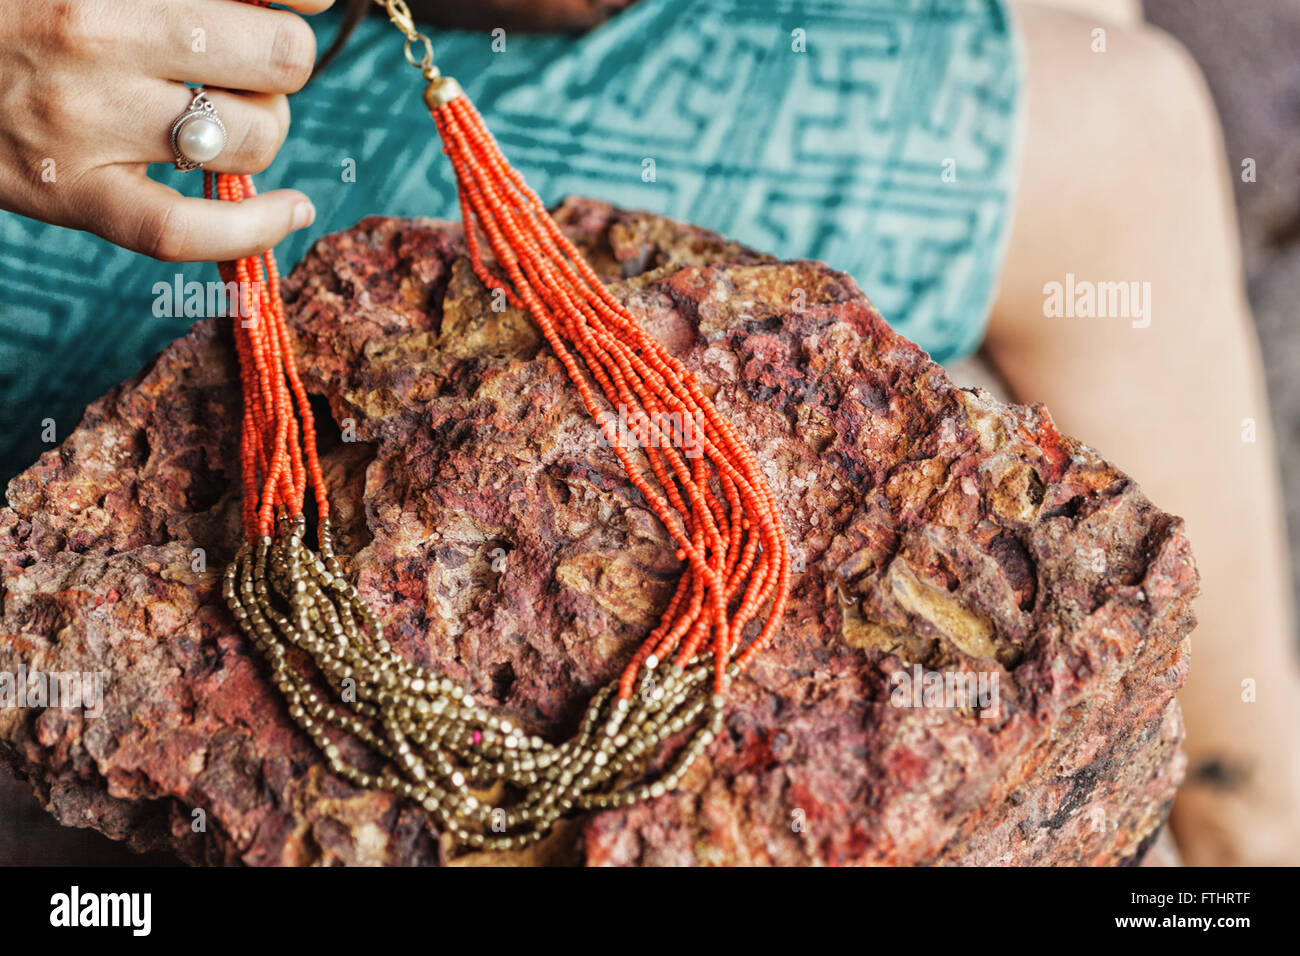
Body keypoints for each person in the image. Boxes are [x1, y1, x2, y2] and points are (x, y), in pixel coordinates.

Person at [0, 0, 1294, 865]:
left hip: (433, 33)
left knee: (1107, 41)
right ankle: (1257, 807)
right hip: (77, 130)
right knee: (1120, 132)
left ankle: (1246, 801)